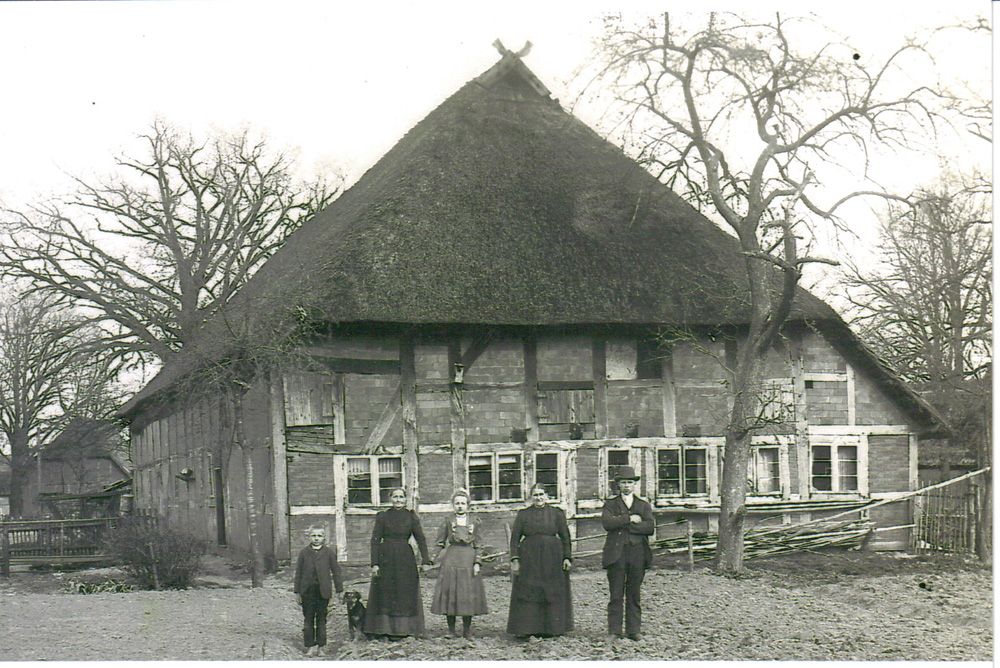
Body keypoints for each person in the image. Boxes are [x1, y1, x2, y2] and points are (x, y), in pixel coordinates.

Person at [506, 483, 573, 638]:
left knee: (551, 590)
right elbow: (515, 539)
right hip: (529, 558)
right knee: (530, 590)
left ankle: (552, 628)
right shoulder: (523, 514)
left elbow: (565, 537)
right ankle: (528, 629)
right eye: (535, 495)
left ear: (547, 496)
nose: (538, 498)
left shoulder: (557, 513)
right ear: (531, 497)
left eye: (541, 494)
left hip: (553, 558)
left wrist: (567, 557)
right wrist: (515, 558)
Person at [364, 487, 432, 638]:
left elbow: (421, 538)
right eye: (395, 497)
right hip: (385, 557)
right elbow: (375, 540)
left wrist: (426, 560)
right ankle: (384, 628)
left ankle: (403, 629)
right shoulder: (383, 516)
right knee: (385, 591)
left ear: (405, 499)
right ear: (390, 499)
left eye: (401, 497)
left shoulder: (411, 516)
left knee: (403, 591)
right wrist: (375, 563)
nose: (398, 500)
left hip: (405, 559)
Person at [601, 466, 654, 641]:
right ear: (618, 484)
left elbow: (649, 527)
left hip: (637, 554)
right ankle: (614, 631)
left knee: (634, 593)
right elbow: (607, 524)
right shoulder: (610, 504)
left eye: (629, 482)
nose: (626, 486)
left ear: (634, 484)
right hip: (616, 554)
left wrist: (622, 524)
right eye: (623, 482)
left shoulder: (643, 505)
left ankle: (634, 630)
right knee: (616, 594)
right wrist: (629, 519)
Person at [430, 488, 489, 639]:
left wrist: (477, 562)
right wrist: (432, 558)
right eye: (457, 503)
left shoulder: (475, 521)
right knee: (451, 592)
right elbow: (439, 542)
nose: (460, 506)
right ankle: (451, 630)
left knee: (467, 593)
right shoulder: (447, 521)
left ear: (468, 505)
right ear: (453, 505)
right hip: (451, 559)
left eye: (463, 503)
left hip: (468, 559)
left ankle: (467, 630)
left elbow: (479, 544)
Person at [293, 525, 344, 656]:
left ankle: (321, 647)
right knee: (308, 619)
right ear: (309, 537)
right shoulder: (304, 553)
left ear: (324, 537)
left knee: (321, 619)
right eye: (313, 536)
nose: (316, 538)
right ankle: (310, 646)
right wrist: (297, 592)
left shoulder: (329, 553)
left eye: (319, 536)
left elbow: (336, 571)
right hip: (307, 591)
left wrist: (339, 589)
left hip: (323, 592)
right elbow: (298, 573)